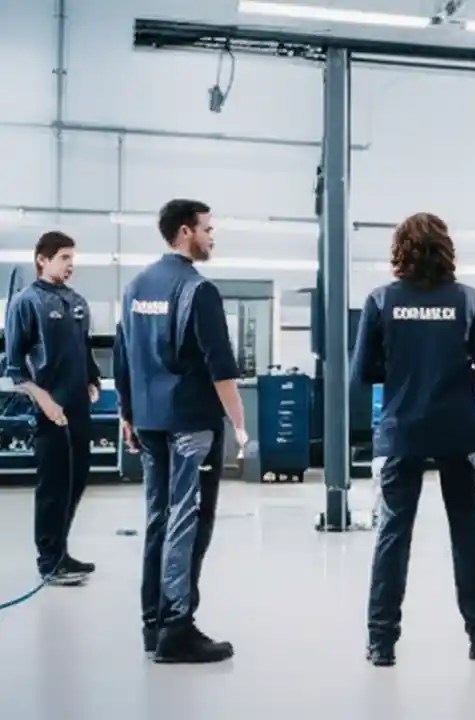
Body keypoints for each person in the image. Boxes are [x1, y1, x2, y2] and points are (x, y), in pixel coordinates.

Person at [352, 212, 475, 667]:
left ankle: (381, 642)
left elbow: (363, 372)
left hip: (401, 430)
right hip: (458, 428)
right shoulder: (469, 300)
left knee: (392, 534)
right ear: (446, 248)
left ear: (399, 249)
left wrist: (403, 372)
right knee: (467, 531)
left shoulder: (381, 300)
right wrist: (452, 372)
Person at [115, 199, 248, 664]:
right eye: (208, 229)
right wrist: (239, 423)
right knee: (188, 520)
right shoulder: (198, 290)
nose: (213, 237)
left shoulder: (135, 287)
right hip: (192, 422)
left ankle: (152, 625)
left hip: (149, 421)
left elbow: (123, 355)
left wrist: (127, 413)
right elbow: (221, 367)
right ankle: (177, 627)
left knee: (159, 518)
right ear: (186, 231)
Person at [3, 231, 101, 586]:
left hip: (78, 406)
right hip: (49, 409)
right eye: (63, 257)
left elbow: (84, 349)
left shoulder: (77, 302)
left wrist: (92, 379)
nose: (70, 264)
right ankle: (49, 561)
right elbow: (15, 368)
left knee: (77, 479)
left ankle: (61, 551)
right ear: (42, 260)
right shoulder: (26, 303)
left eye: (73, 258)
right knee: (53, 487)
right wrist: (43, 399)